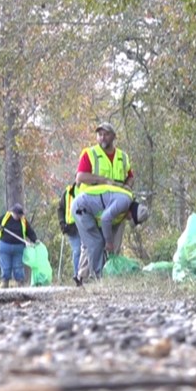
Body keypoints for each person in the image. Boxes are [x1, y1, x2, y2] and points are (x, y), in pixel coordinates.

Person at [71, 122, 136, 285]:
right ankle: (85, 278)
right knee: (92, 244)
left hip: (115, 209)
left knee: (112, 244)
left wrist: (127, 186)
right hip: (92, 207)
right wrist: (103, 180)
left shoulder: (123, 156)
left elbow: (130, 176)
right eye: (99, 134)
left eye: (106, 134)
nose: (102, 137)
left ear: (114, 136)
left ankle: (108, 276)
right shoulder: (90, 153)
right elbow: (80, 177)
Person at [0, 204, 38, 288]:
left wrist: (35, 240)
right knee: (5, 266)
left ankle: (20, 283)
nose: (18, 217)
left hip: (18, 248)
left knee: (18, 266)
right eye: (17, 215)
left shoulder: (23, 221)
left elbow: (29, 231)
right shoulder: (5, 217)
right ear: (12, 212)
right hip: (4, 246)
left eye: (20, 215)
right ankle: (5, 283)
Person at [56, 183, 81, 284]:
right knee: (77, 250)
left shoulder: (88, 189)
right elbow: (60, 209)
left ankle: (86, 274)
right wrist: (62, 223)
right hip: (71, 227)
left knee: (87, 250)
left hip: (85, 225)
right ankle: (77, 275)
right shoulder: (67, 192)